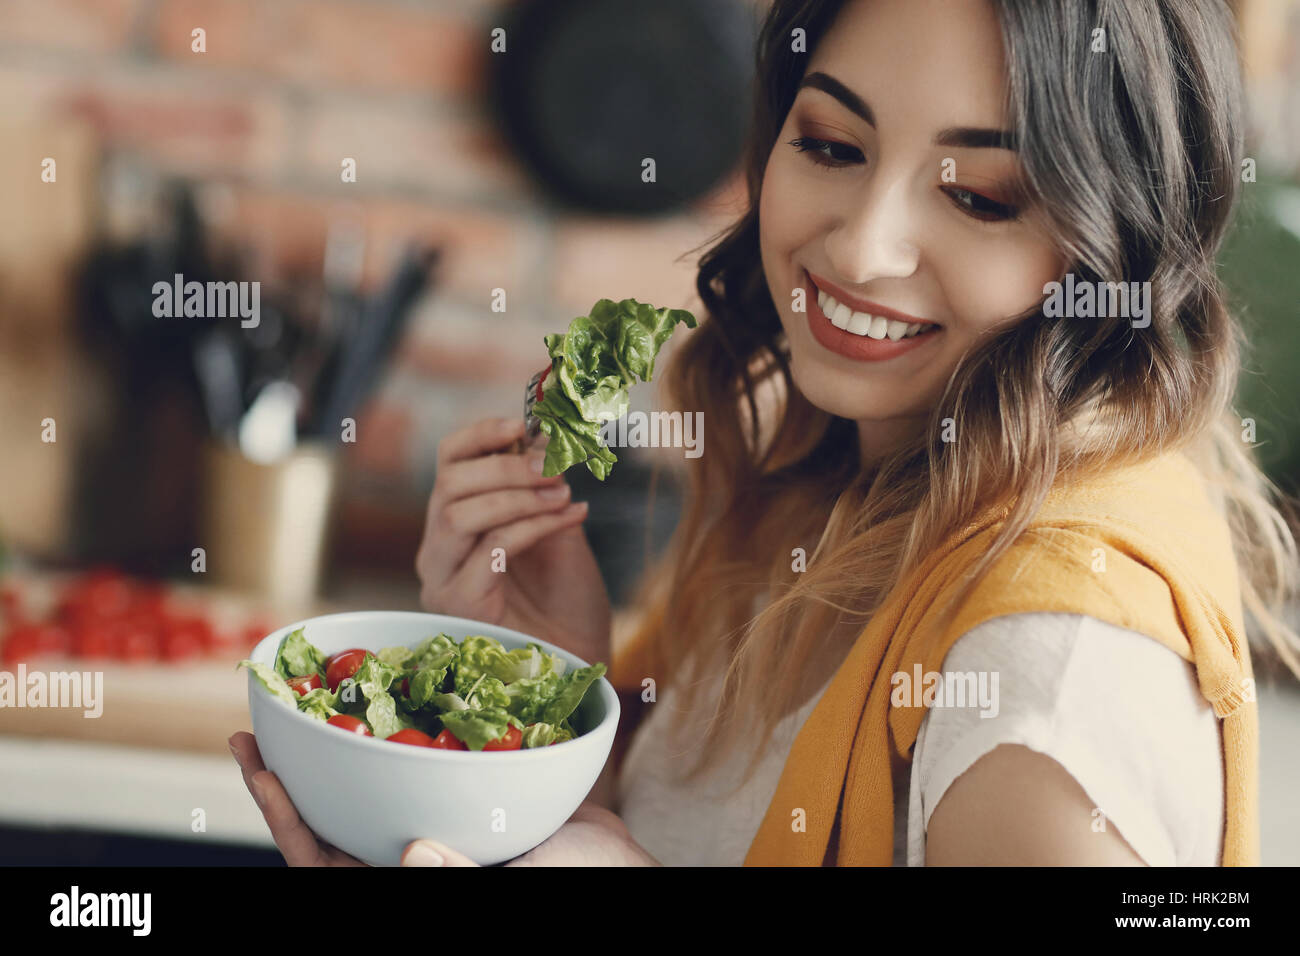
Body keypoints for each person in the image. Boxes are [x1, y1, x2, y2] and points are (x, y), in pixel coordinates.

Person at [230, 0, 1300, 866]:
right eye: (831, 143)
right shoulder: (824, 484)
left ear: (1111, 252)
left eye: (977, 197)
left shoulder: (1050, 670)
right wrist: (545, 700)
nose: (863, 247)